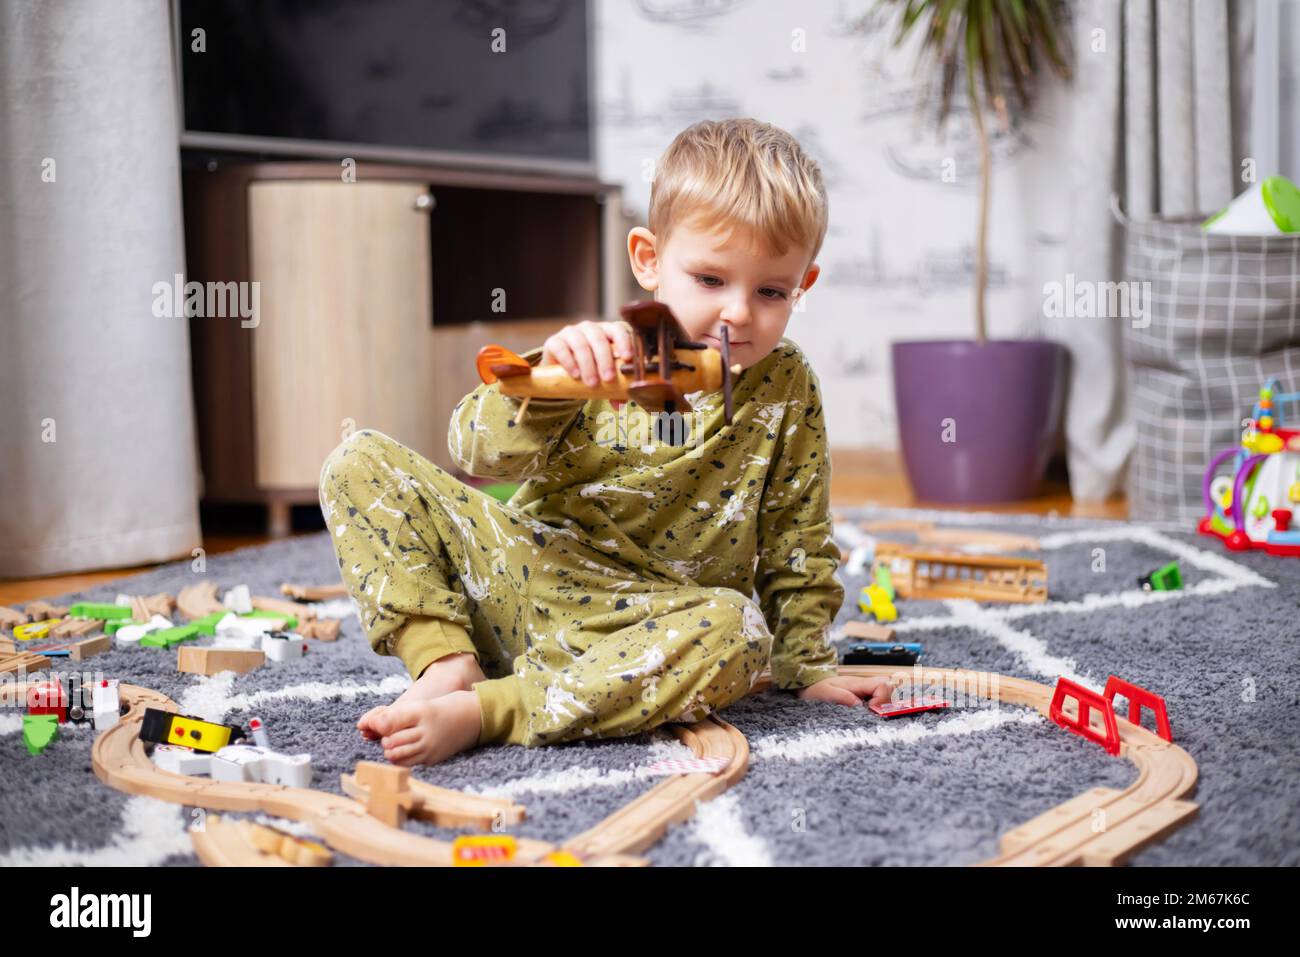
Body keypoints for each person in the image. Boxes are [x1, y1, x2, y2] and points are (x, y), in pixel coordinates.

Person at [319, 118, 893, 766]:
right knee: (357, 460)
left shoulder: (786, 385)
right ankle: (448, 663)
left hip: (649, 628)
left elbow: (798, 536)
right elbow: (474, 453)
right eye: (710, 279)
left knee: (739, 630)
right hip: (526, 584)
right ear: (649, 260)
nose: (737, 312)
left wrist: (808, 662)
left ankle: (494, 710)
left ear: (803, 287)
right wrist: (550, 390)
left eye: (769, 291)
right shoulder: (597, 356)